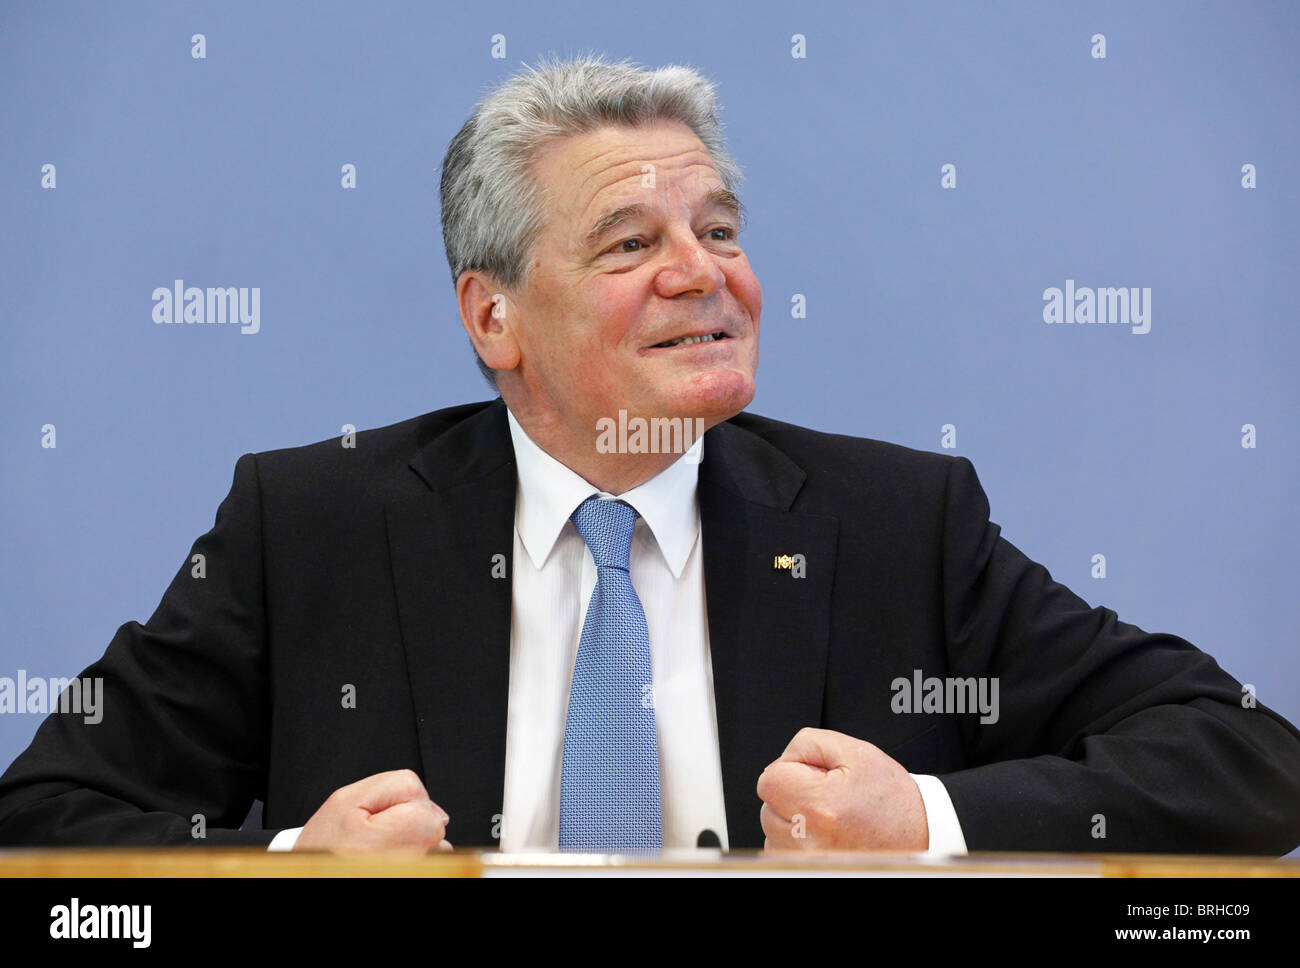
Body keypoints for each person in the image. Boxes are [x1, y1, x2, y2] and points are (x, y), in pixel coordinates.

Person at [1, 54, 1298, 856]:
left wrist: (931, 824)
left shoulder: (901, 521)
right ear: (492, 316)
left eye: (721, 229)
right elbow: (48, 815)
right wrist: (289, 862)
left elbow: (1249, 758)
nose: (706, 273)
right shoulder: (308, 522)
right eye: (631, 246)